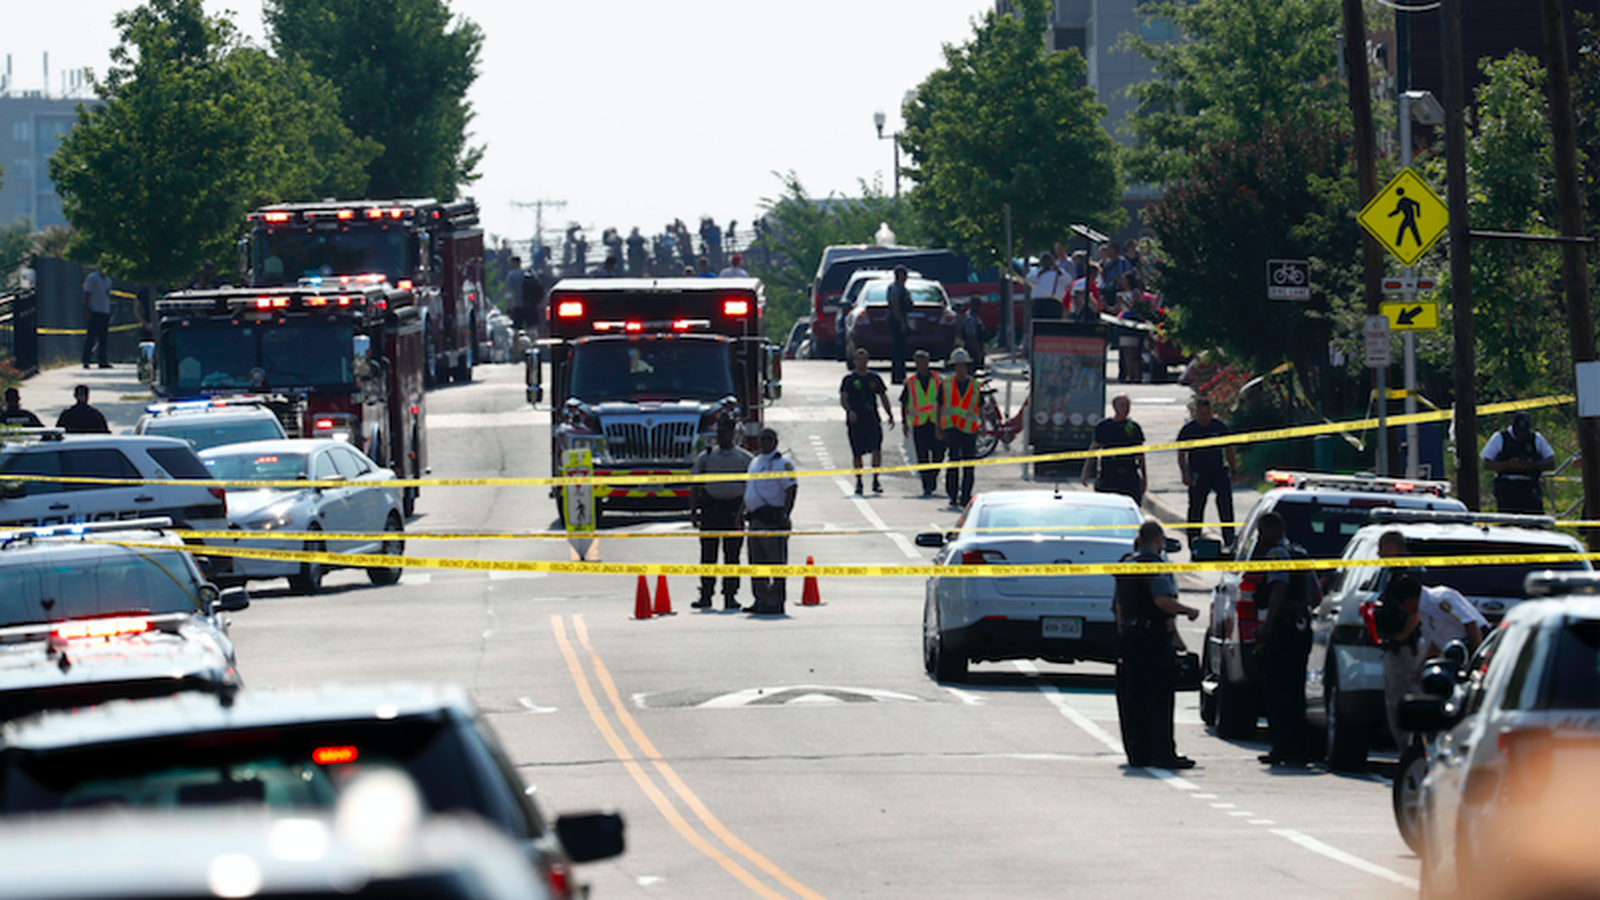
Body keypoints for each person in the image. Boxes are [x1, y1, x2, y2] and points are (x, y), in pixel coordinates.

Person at [1114, 519, 1202, 769]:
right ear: (1158, 541)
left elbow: (1118, 607)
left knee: (1133, 697)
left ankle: (1138, 752)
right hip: (1151, 639)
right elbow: (1162, 602)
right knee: (1159, 698)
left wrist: (1123, 634)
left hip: (1129, 636)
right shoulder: (1156, 567)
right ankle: (1162, 753)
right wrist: (1188, 611)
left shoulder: (1125, 566)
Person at [1252, 511, 1321, 767]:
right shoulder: (1301, 554)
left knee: (1277, 693)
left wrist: (1268, 625)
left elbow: (1279, 588)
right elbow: (1317, 596)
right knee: (1295, 692)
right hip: (1301, 631)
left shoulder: (1276, 555)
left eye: (1262, 532)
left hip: (1282, 631)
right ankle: (1297, 749)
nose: (1261, 538)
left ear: (1273, 529)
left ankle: (1282, 747)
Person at [690, 417, 753, 611]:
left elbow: (751, 488)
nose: (722, 435)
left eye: (726, 431)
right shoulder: (706, 457)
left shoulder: (745, 458)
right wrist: (694, 511)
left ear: (733, 434)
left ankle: (730, 596)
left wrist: (744, 512)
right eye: (719, 431)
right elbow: (695, 486)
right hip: (711, 510)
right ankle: (706, 594)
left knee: (732, 556)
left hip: (733, 511)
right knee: (708, 555)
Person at [744, 428, 797, 615]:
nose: (764, 442)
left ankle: (776, 601)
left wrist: (785, 515)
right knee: (756, 564)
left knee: (776, 563)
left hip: (773, 520)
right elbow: (749, 489)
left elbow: (791, 489)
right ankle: (761, 599)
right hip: (755, 520)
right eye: (762, 439)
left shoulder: (783, 463)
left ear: (775, 442)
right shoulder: (755, 462)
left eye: (768, 439)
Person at [1177, 397, 1239, 548]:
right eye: (1202, 414)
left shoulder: (1219, 427)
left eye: (1207, 413)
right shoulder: (1189, 430)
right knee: (1196, 508)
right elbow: (1181, 453)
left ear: (1212, 413)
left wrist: (1234, 470)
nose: (1205, 417)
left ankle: (1229, 537)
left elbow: (1229, 450)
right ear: (1196, 413)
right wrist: (1185, 473)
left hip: (1218, 471)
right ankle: (1193, 539)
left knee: (1225, 503)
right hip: (1198, 473)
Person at [840, 348, 893, 495]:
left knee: (876, 449)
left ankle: (876, 479)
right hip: (856, 421)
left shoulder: (874, 378)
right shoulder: (849, 380)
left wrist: (890, 414)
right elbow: (843, 399)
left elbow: (883, 396)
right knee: (857, 453)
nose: (861, 362)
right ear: (854, 361)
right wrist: (849, 411)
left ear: (867, 361)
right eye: (858, 359)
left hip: (872, 419)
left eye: (864, 359)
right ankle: (859, 481)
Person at [1481, 412, 1555, 514]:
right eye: (1518, 432)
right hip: (1507, 488)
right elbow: (1487, 464)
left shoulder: (1536, 438)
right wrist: (1508, 464)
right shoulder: (1500, 438)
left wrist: (1533, 465)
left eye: (1523, 433)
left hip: (1529, 487)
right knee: (1508, 525)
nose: (1520, 435)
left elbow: (1551, 463)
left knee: (1534, 524)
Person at [1081, 395, 1147, 505]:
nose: (1126, 409)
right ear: (1114, 407)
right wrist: (1085, 471)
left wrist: (1144, 479)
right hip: (1109, 475)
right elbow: (1093, 449)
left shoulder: (1134, 427)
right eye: (1122, 405)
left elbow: (1141, 455)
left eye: (1128, 406)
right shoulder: (1104, 426)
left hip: (1129, 476)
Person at [938, 348, 980, 509]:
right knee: (953, 460)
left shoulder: (975, 385)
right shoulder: (947, 384)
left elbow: (979, 405)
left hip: (969, 429)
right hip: (952, 428)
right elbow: (939, 404)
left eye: (963, 365)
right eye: (958, 365)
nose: (960, 368)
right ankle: (953, 495)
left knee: (969, 465)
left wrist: (982, 424)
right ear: (954, 367)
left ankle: (966, 496)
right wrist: (938, 427)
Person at [82, 264, 115, 369]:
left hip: (104, 311)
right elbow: (87, 293)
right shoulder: (92, 278)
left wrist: (109, 309)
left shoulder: (108, 280)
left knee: (103, 337)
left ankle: (102, 360)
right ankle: (86, 360)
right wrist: (87, 310)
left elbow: (107, 295)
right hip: (94, 311)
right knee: (91, 337)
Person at [886, 266, 912, 385]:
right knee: (898, 348)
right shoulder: (895, 289)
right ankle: (897, 375)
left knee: (902, 348)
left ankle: (901, 373)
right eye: (904, 274)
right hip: (896, 321)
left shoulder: (902, 288)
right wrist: (901, 321)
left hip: (902, 319)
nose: (906, 277)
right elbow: (895, 306)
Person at [1026, 252, 1067, 322]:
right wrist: (1042, 271)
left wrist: (1057, 270)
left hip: (1054, 302)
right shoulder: (1036, 272)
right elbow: (1029, 280)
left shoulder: (1059, 271)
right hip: (1039, 303)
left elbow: (1067, 280)